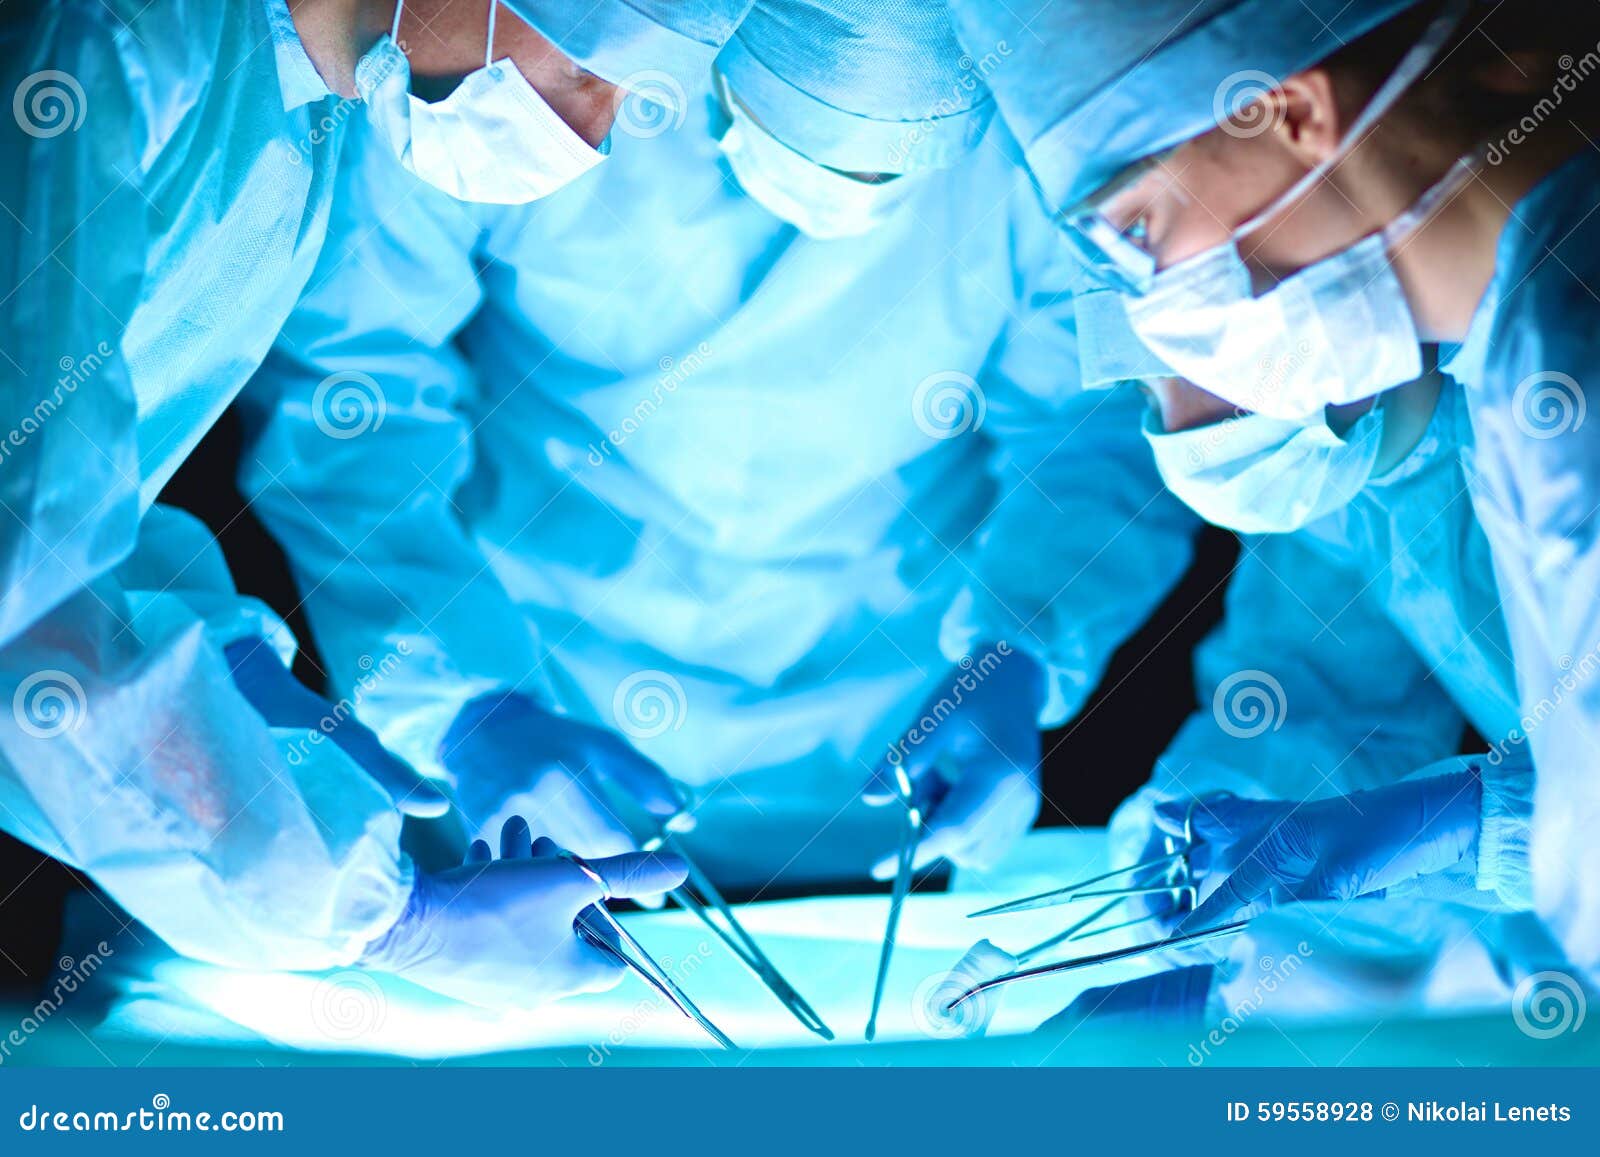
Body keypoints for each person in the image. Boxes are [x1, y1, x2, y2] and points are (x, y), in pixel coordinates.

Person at [239, 0, 1205, 891]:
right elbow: (352, 399)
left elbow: (1095, 430)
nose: (852, 205)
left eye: (896, 170)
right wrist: (457, 699)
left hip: (883, 773)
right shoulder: (550, 73)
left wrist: (1022, 648)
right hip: (533, 737)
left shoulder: (1038, 147)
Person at [0, 0, 741, 1003]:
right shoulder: (107, 46)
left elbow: (82, 504)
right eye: (586, 68)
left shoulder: (304, 107)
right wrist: (384, 919)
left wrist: (230, 659)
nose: (591, 133)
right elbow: (31, 615)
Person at [947, 0, 1600, 1007]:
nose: (1177, 406)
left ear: (1288, 113)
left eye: (1136, 232)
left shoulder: (1563, 345)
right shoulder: (1508, 348)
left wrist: (1275, 996)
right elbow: (1312, 698)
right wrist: (1224, 942)